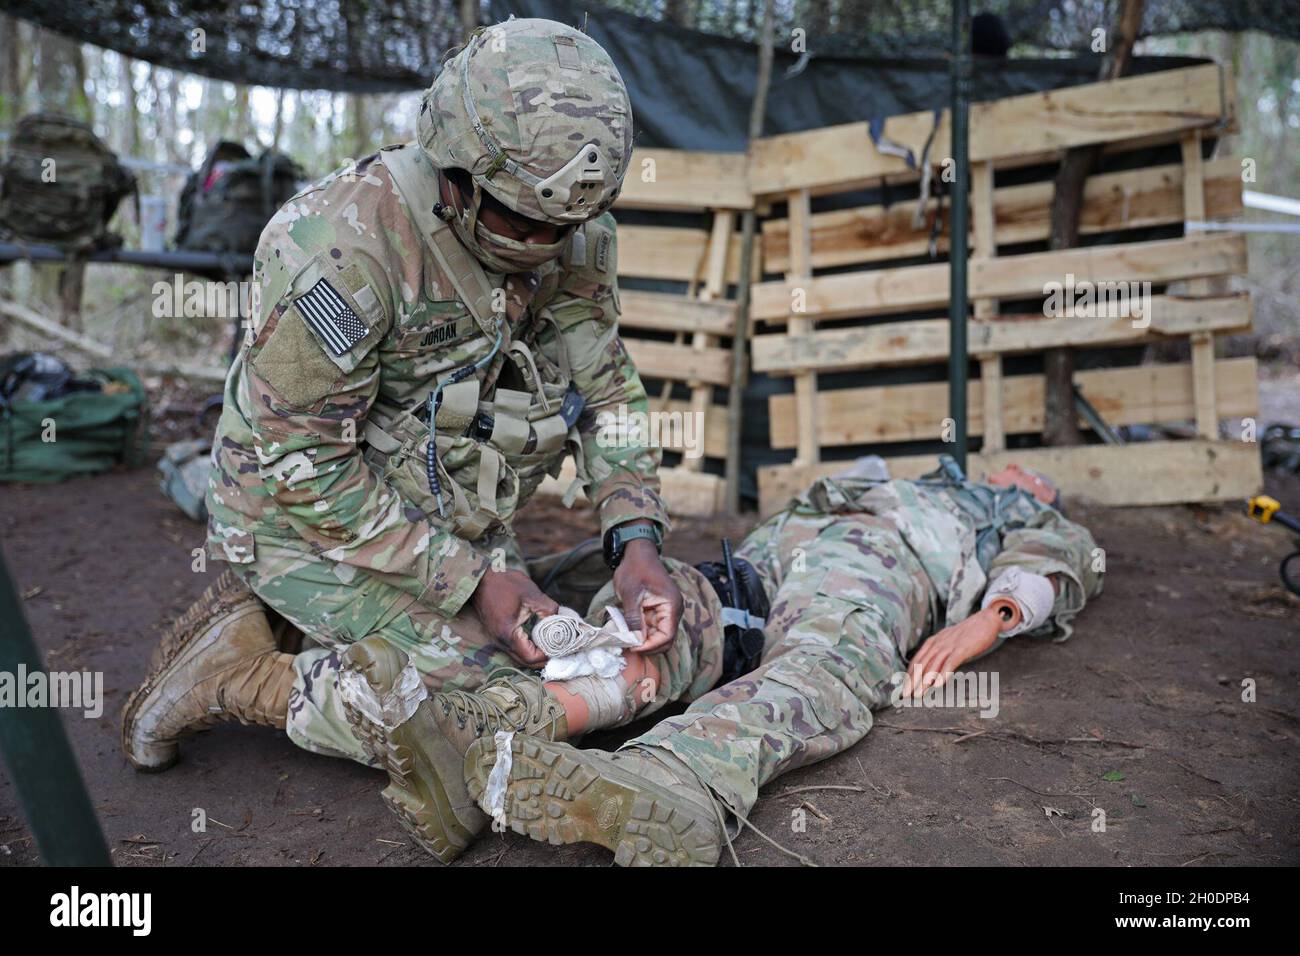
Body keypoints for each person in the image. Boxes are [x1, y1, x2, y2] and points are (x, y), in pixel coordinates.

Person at [121, 18, 686, 863]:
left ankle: (313, 636)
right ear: (458, 172)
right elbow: (303, 468)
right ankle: (242, 674)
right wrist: (472, 583)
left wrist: (636, 538)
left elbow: (609, 392)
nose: (545, 249)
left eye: (564, 229)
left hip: (436, 504)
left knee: (561, 675)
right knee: (475, 709)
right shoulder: (340, 248)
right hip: (292, 516)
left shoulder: (575, 233)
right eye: (523, 223)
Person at [338, 458, 1104, 866]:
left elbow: (1054, 564)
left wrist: (987, 621)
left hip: (868, 565)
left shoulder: (1019, 513)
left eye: (1034, 477)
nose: (1020, 475)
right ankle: (495, 728)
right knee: (648, 636)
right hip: (767, 566)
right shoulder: (922, 478)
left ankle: (675, 778)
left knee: (820, 668)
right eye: (1018, 472)